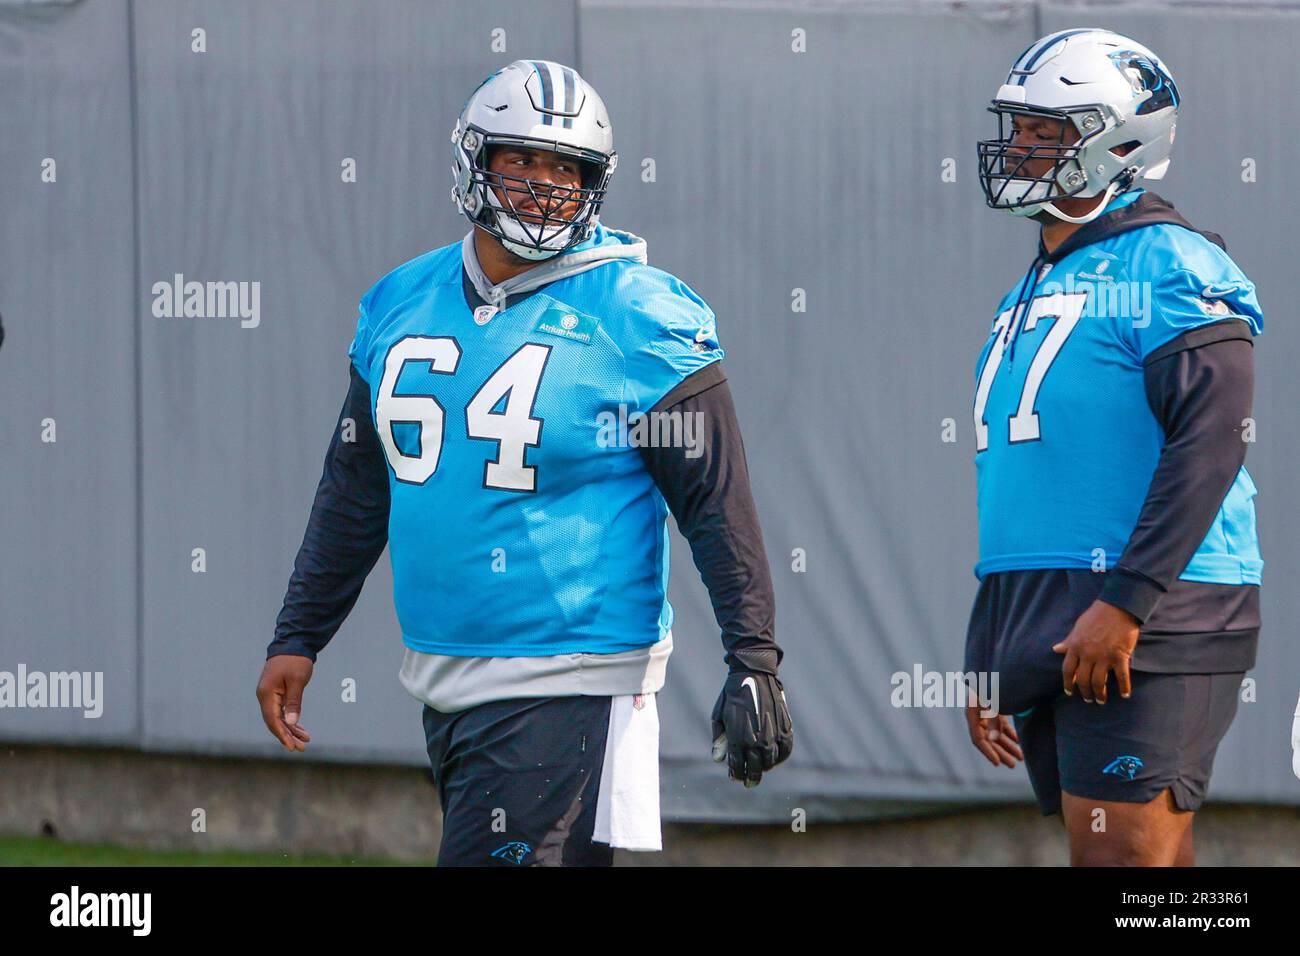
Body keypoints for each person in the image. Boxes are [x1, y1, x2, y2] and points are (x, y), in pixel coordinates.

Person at [256, 59, 792, 867]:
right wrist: (300, 631)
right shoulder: (401, 299)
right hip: (445, 679)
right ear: (476, 163)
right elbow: (358, 488)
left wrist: (753, 659)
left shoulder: (639, 313)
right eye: (524, 160)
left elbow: (716, 499)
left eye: (567, 168)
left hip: (567, 677)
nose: (545, 185)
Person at [966, 30, 1263, 866]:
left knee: (1129, 866)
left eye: (1047, 132)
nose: (1020, 148)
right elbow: (1022, 482)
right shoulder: (1036, 284)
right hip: (1050, 605)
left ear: (1123, 142)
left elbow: (1213, 441)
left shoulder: (1172, 264)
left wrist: (1129, 602)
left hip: (1159, 606)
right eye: (1018, 127)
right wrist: (991, 641)